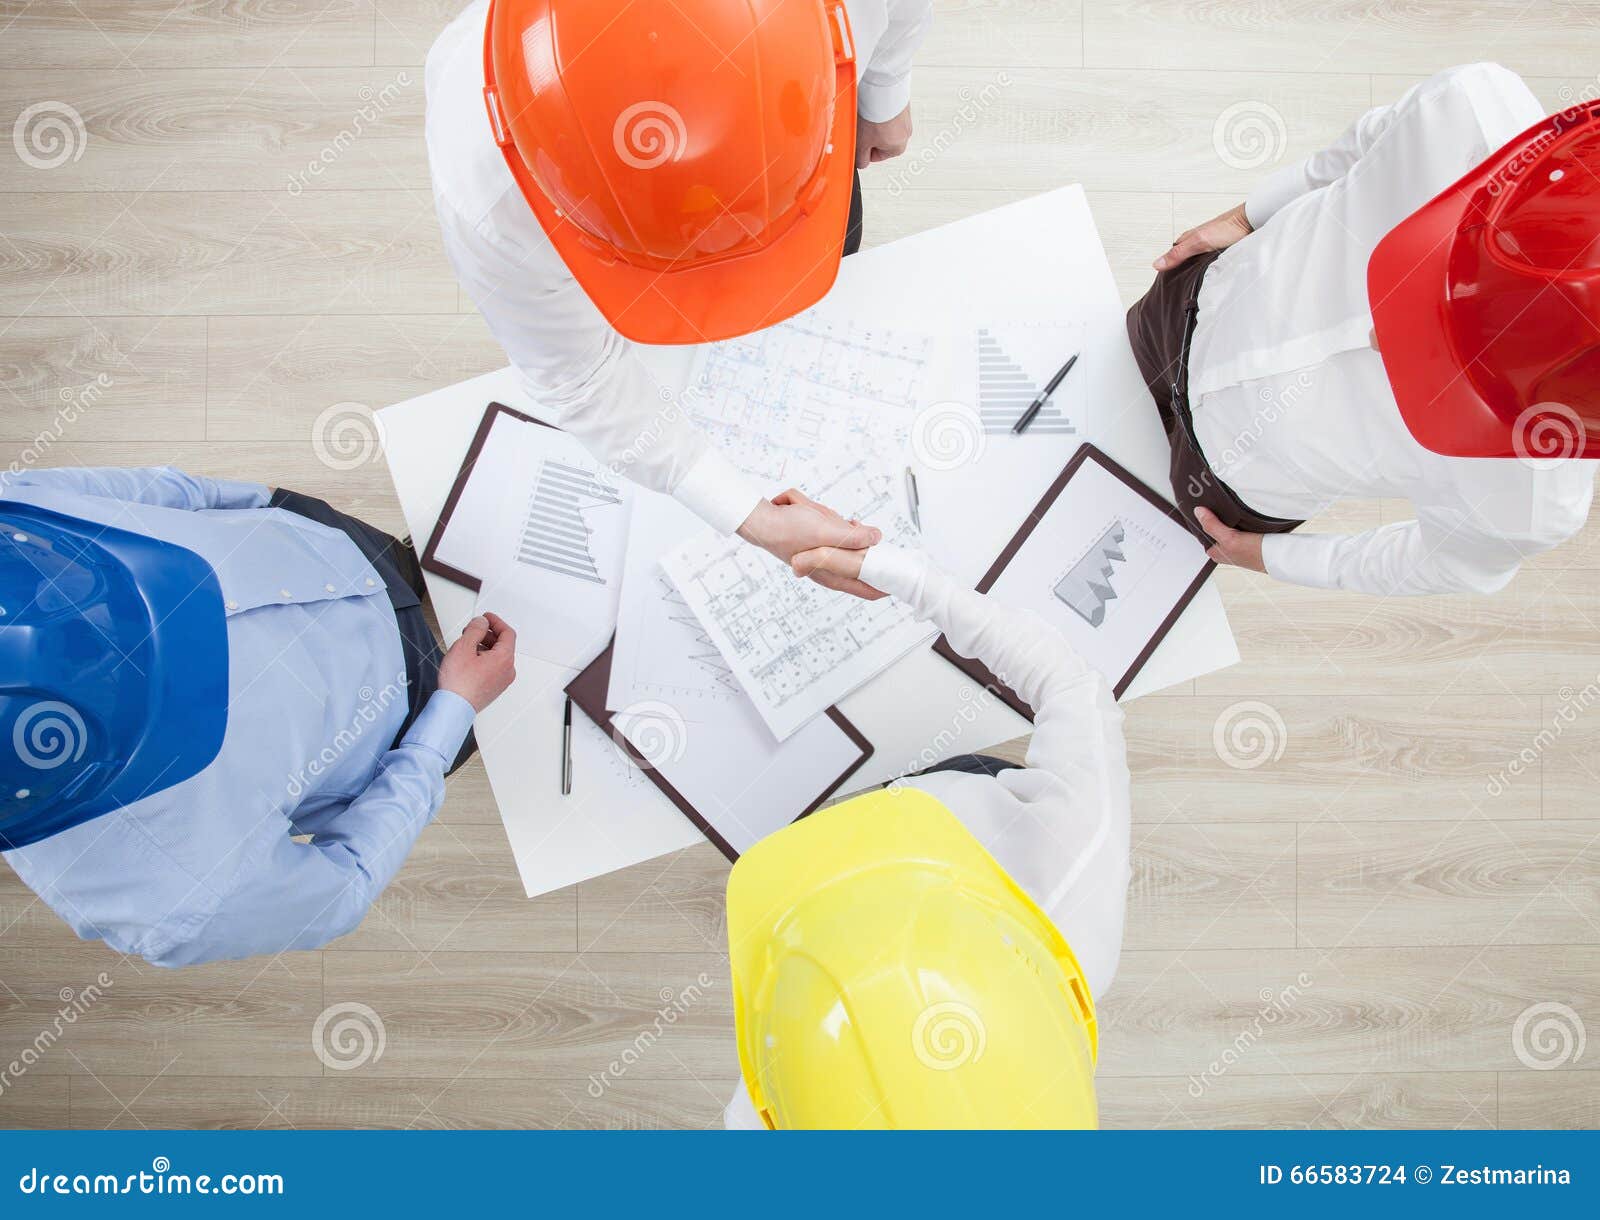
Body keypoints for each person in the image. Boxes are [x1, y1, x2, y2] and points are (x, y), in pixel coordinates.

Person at [425, 0, 934, 600]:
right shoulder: (485, 189)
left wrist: (882, 90)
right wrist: (757, 519)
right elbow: (581, 379)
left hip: (798, 140)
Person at [0, 466, 517, 967]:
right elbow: (344, 884)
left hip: (333, 549)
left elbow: (162, 491)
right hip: (413, 705)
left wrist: (270, 503)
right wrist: (451, 714)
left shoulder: (14, 509)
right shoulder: (168, 906)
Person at [1130, 64, 1597, 596]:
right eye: (1438, 288)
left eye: (1457, 362)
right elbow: (1371, 140)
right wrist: (1248, 216)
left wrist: (1272, 558)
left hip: (1229, 484)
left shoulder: (1533, 500)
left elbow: (1446, 564)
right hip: (1198, 304)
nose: (1385, 338)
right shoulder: (1473, 112)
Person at [719, 541, 1131, 1128]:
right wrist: (889, 571)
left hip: (817, 890)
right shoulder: (1071, 876)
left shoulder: (793, 1089)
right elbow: (1069, 687)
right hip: (954, 817)